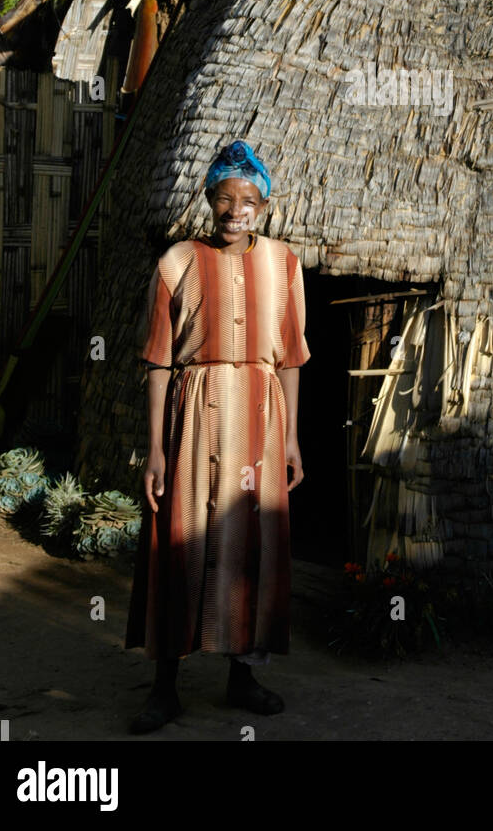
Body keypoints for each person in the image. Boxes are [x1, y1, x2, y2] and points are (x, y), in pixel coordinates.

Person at [125, 139, 311, 734]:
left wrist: (291, 441)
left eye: (249, 200)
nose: (236, 210)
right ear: (209, 198)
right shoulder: (176, 261)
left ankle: (242, 677)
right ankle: (164, 686)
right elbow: (158, 359)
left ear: (264, 206)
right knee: (180, 538)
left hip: (261, 417)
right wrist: (154, 448)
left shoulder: (284, 263)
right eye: (225, 198)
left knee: (250, 543)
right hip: (193, 415)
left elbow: (292, 358)